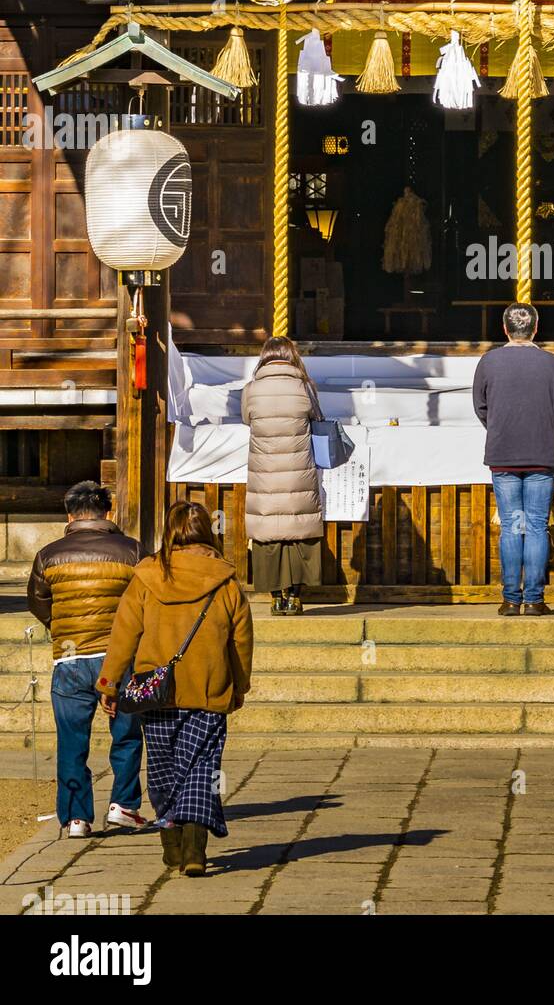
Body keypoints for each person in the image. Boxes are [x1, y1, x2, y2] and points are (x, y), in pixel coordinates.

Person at [97, 501, 253, 877]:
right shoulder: (226, 581)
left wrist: (110, 683)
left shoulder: (147, 578)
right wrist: (239, 684)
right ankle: (195, 848)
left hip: (157, 692)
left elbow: (124, 634)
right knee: (201, 767)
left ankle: (172, 845)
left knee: (164, 769)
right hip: (209, 688)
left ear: (169, 532)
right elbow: (241, 640)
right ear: (207, 532)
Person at [26, 480, 144, 838]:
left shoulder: (49, 554)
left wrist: (61, 628)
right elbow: (146, 600)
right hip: (119, 656)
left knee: (71, 741)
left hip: (69, 657)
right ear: (109, 512)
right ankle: (123, 805)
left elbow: (38, 601)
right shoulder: (133, 551)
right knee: (126, 735)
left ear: (70, 514)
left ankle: (77, 817)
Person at [473, 302, 554, 616]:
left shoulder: (489, 362)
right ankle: (535, 599)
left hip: (504, 451)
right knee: (538, 527)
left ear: (505, 329)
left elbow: (481, 406)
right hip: (542, 450)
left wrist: (501, 426)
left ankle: (511, 598)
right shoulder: (552, 364)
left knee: (512, 526)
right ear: (536, 328)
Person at [241, 335, 324, 615]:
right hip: (297, 472)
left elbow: (246, 418)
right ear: (292, 357)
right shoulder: (305, 387)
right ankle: (296, 597)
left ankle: (276, 597)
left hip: (264, 473)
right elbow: (318, 418)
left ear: (264, 357)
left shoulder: (251, 389)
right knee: (299, 531)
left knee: (269, 535)